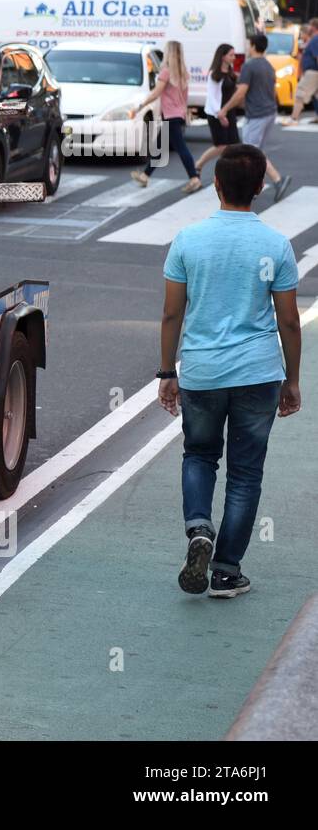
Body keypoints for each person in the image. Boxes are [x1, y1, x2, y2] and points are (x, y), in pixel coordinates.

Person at [159, 144, 302, 599]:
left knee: (199, 455)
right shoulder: (275, 245)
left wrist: (167, 371)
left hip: (201, 371)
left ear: (215, 185)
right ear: (260, 188)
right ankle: (225, 572)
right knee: (245, 473)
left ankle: (199, 527)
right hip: (258, 373)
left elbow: (170, 315)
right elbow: (289, 321)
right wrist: (292, 379)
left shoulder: (188, 241)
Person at [220, 33, 291, 201]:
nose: (247, 47)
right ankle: (253, 187)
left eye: (248, 44)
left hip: (258, 115)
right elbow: (270, 91)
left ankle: (278, 180)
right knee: (255, 152)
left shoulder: (249, 66)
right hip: (269, 112)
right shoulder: (268, 65)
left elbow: (241, 92)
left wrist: (225, 109)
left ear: (253, 46)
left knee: (251, 153)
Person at [128, 40, 201, 193]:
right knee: (159, 148)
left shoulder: (166, 71)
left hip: (170, 116)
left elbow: (156, 93)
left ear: (169, 53)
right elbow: (185, 98)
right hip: (178, 114)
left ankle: (194, 178)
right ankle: (145, 176)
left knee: (181, 148)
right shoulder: (183, 72)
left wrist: (140, 107)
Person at [194, 43, 240, 174]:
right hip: (216, 113)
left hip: (229, 112)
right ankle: (199, 164)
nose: (234, 57)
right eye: (231, 55)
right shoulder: (215, 74)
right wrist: (219, 114)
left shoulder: (231, 73)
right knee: (221, 146)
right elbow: (212, 97)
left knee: (233, 145)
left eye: (234, 55)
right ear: (223, 56)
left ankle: (231, 172)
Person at [280, 18, 318, 125]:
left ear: (314, 27)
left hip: (312, 72)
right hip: (314, 72)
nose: (308, 28)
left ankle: (293, 119)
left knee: (300, 94)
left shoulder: (316, 39)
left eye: (310, 26)